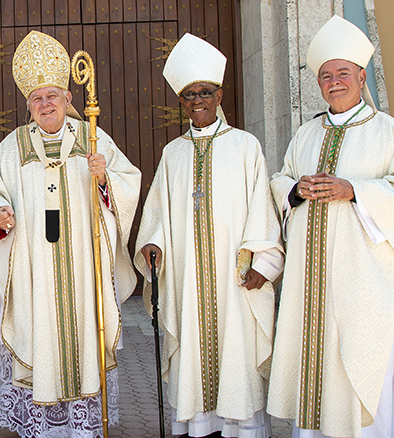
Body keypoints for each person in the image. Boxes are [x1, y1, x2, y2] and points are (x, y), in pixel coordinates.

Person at [0, 30, 142, 437]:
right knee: (37, 333)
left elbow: (127, 182)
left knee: (83, 339)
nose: (45, 104)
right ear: (28, 104)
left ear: (68, 99)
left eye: (52, 96)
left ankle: (82, 427)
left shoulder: (93, 139)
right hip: (33, 275)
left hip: (83, 269)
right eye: (37, 98)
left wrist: (105, 181)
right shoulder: (10, 148)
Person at [134, 33, 284, 438]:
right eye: (188, 94)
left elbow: (262, 211)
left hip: (235, 277)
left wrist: (265, 263)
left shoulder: (245, 146)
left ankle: (243, 427)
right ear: (180, 102)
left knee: (237, 352)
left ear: (220, 95)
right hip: (187, 278)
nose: (197, 100)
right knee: (193, 359)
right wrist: (153, 244)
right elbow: (158, 213)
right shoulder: (173, 153)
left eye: (205, 92)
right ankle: (199, 427)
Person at [267, 15, 394, 438]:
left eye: (343, 73)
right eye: (326, 76)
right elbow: (280, 180)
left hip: (364, 284)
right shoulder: (305, 134)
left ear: (362, 77)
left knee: (361, 358)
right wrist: (295, 189)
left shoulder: (386, 132)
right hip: (309, 286)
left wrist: (354, 190)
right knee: (315, 363)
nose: (334, 82)